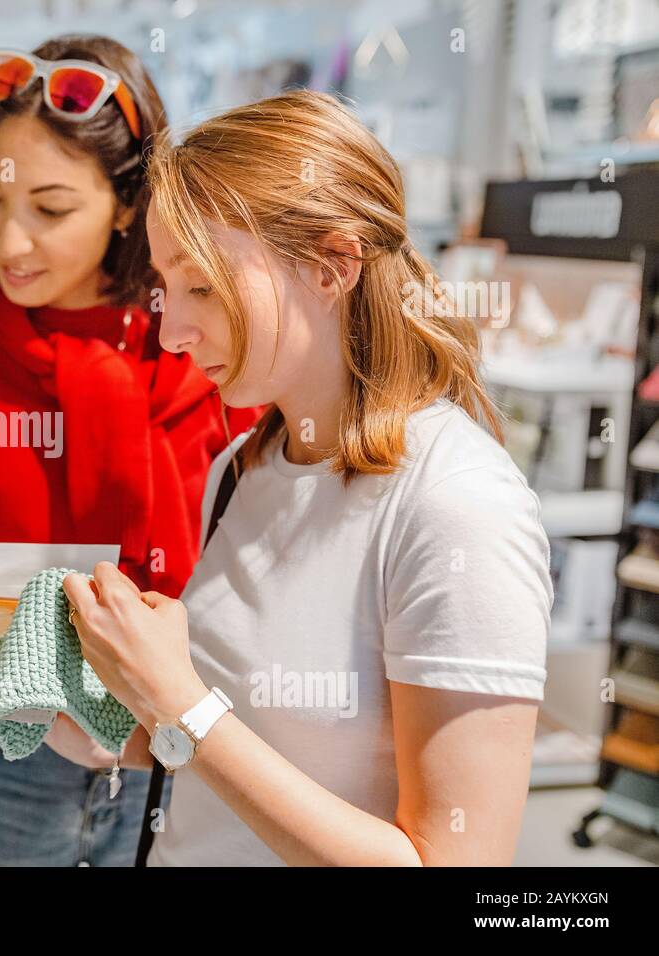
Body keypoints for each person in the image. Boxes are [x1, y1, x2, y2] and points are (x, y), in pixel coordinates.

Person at [60, 90, 552, 866]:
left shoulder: (456, 507)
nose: (173, 331)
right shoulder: (241, 469)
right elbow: (243, 743)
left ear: (331, 264)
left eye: (202, 286)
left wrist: (175, 700)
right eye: (165, 287)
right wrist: (97, 706)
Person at [0, 35, 262, 867]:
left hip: (182, 742)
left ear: (127, 206)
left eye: (50, 210)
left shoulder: (195, 346)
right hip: (3, 747)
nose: (9, 242)